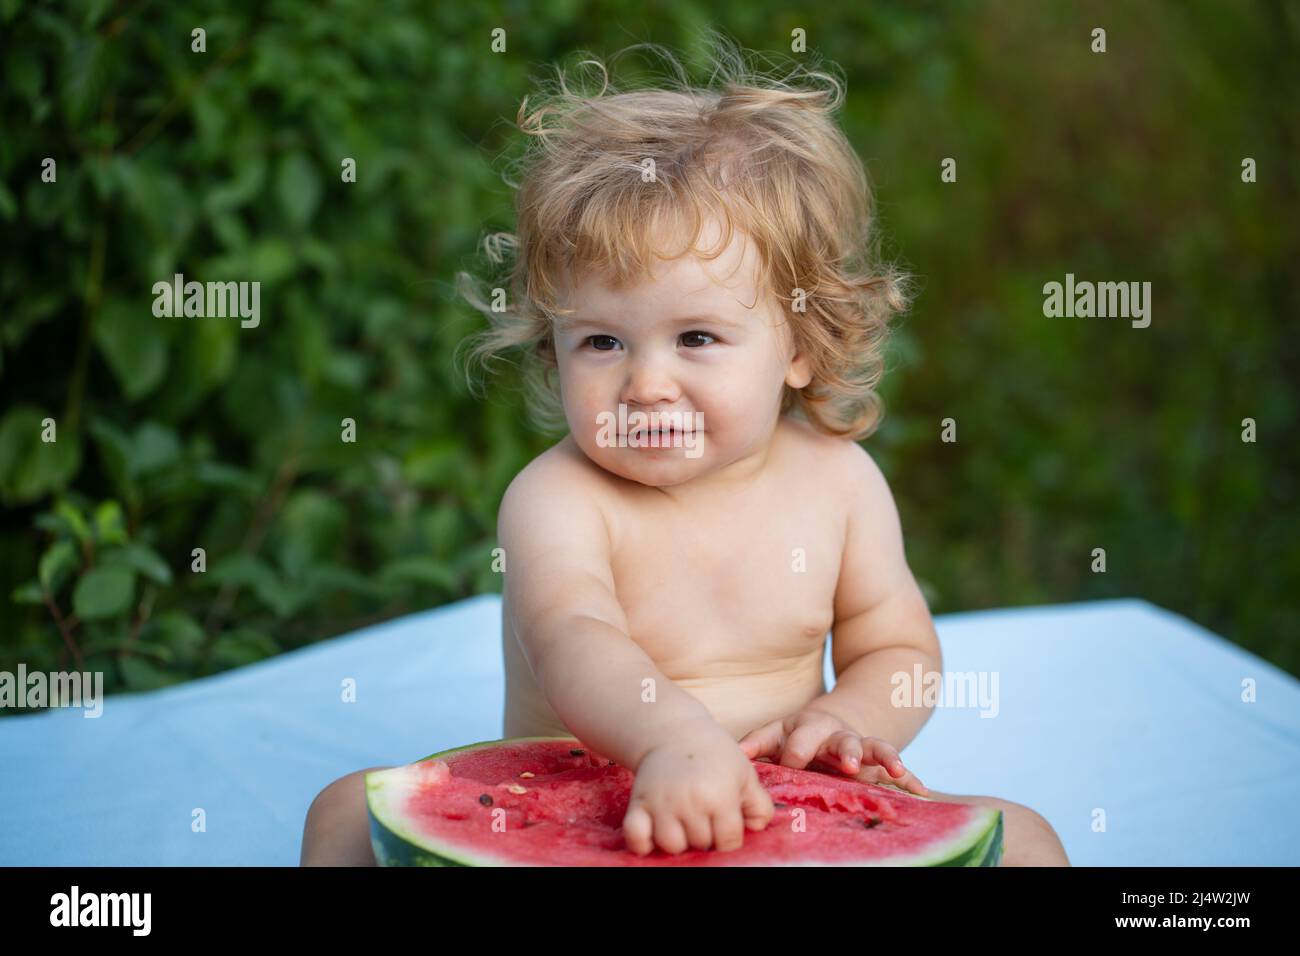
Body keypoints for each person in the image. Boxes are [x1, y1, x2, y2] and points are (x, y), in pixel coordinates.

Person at [301, 35, 1069, 867]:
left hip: (786, 812)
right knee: (345, 814)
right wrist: (669, 740)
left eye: (696, 336)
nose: (647, 384)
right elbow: (572, 636)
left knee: (1027, 839)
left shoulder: (840, 482)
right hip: (587, 808)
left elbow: (899, 647)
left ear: (801, 347)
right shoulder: (558, 498)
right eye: (600, 341)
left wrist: (849, 723)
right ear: (550, 352)